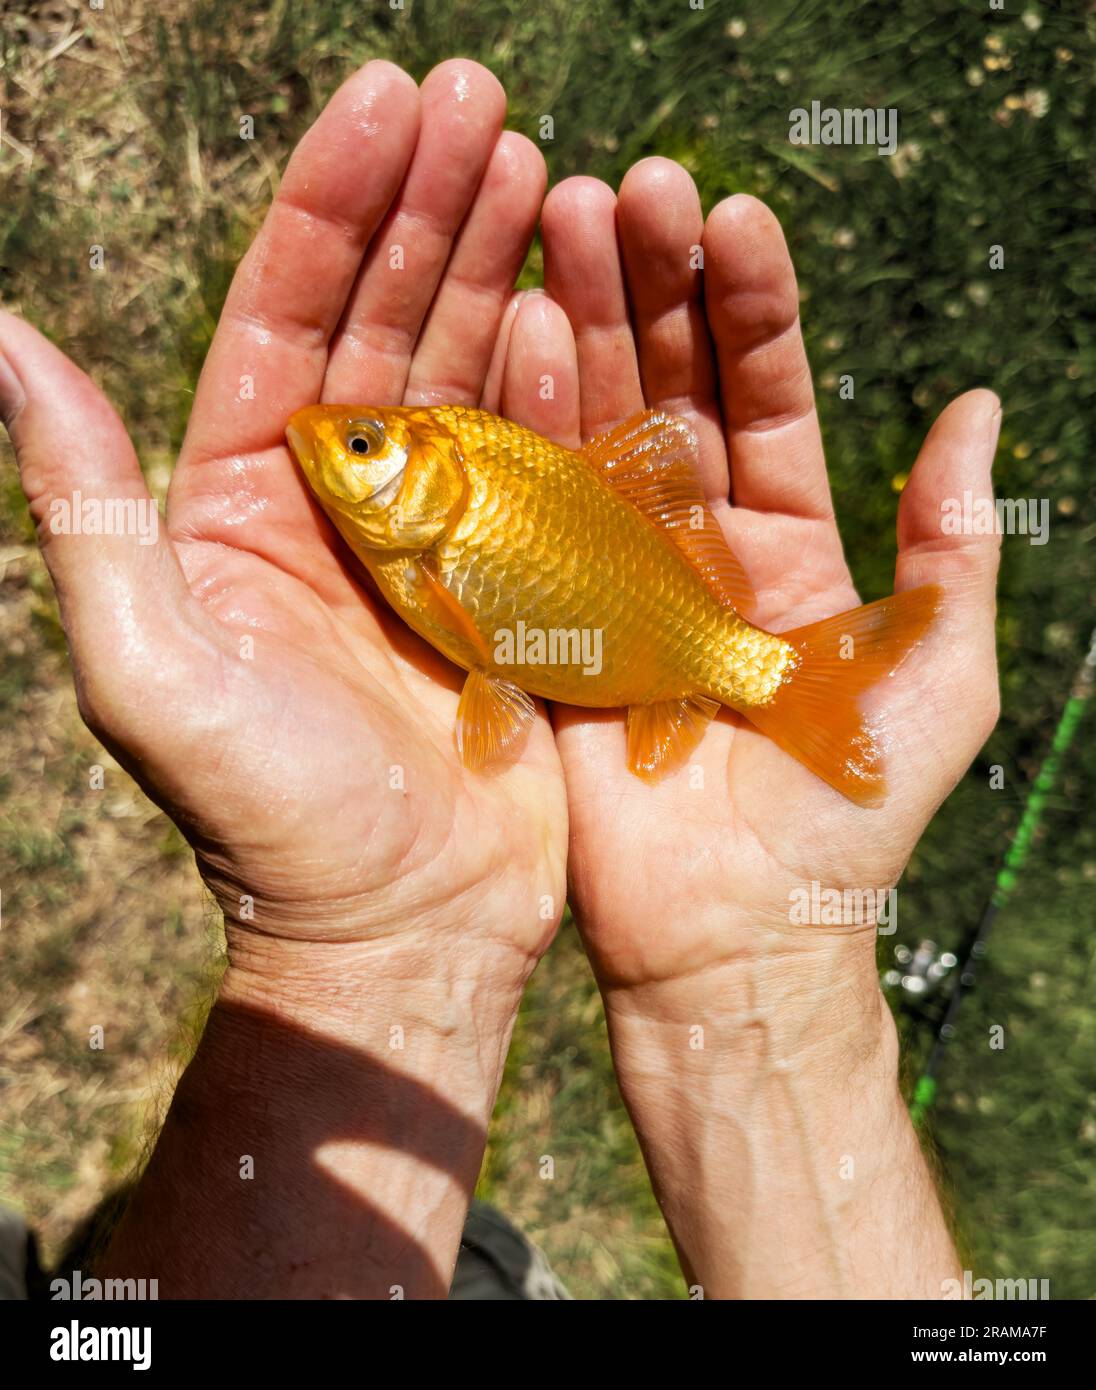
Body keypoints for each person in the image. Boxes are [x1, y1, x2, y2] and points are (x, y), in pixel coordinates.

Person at [0, 57, 1001, 1299]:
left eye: (363, 444)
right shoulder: (422, 536)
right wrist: (377, 945)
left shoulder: (478, 529)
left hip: (679, 646)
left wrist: (768, 974)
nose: (331, 451)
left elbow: (493, 642)